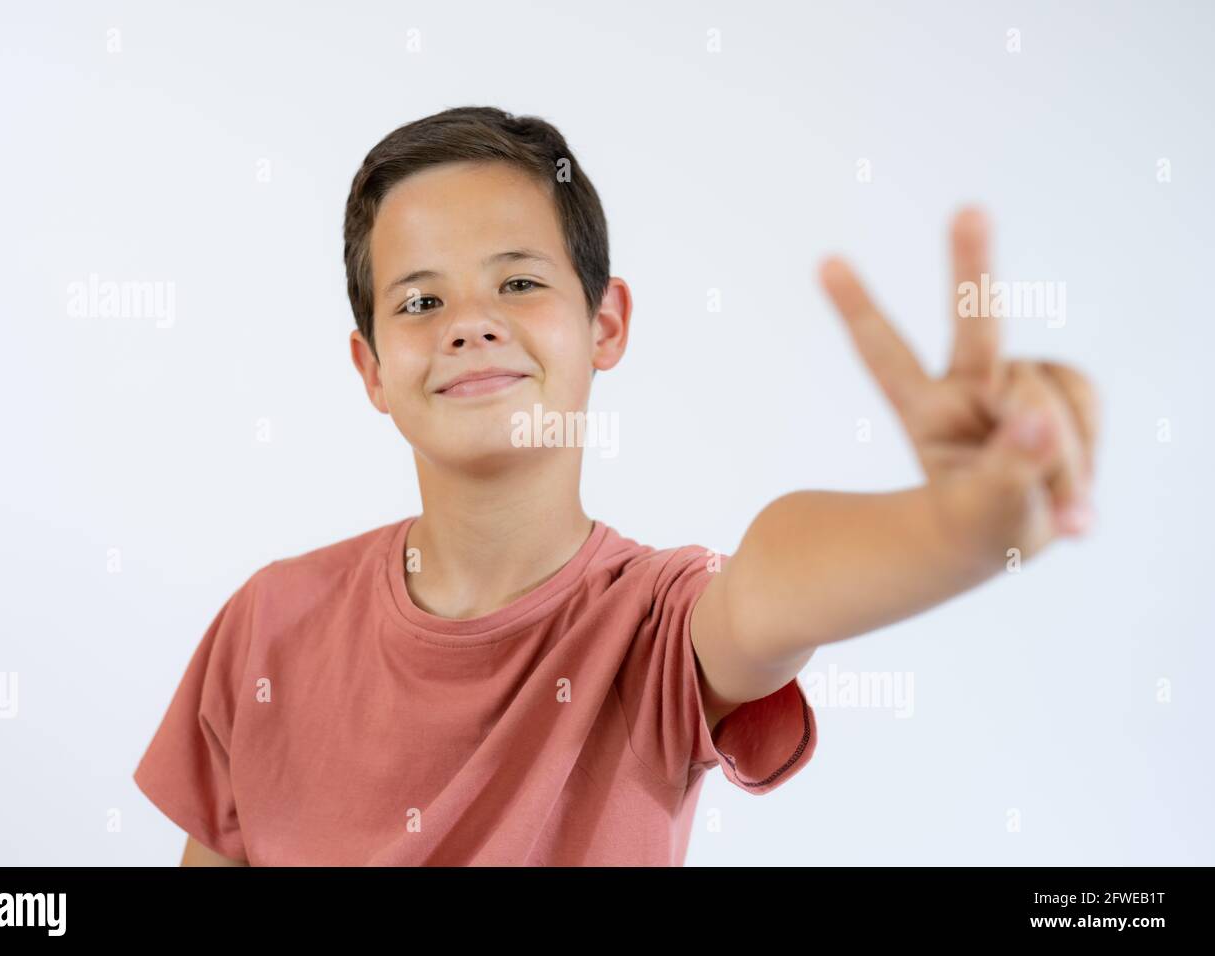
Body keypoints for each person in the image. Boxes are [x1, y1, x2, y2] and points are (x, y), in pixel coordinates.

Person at [133, 105, 1099, 866]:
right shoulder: (268, 623)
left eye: (517, 283)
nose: (470, 323)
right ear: (371, 369)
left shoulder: (656, 626)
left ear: (605, 326)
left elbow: (772, 588)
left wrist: (964, 526)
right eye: (421, 301)